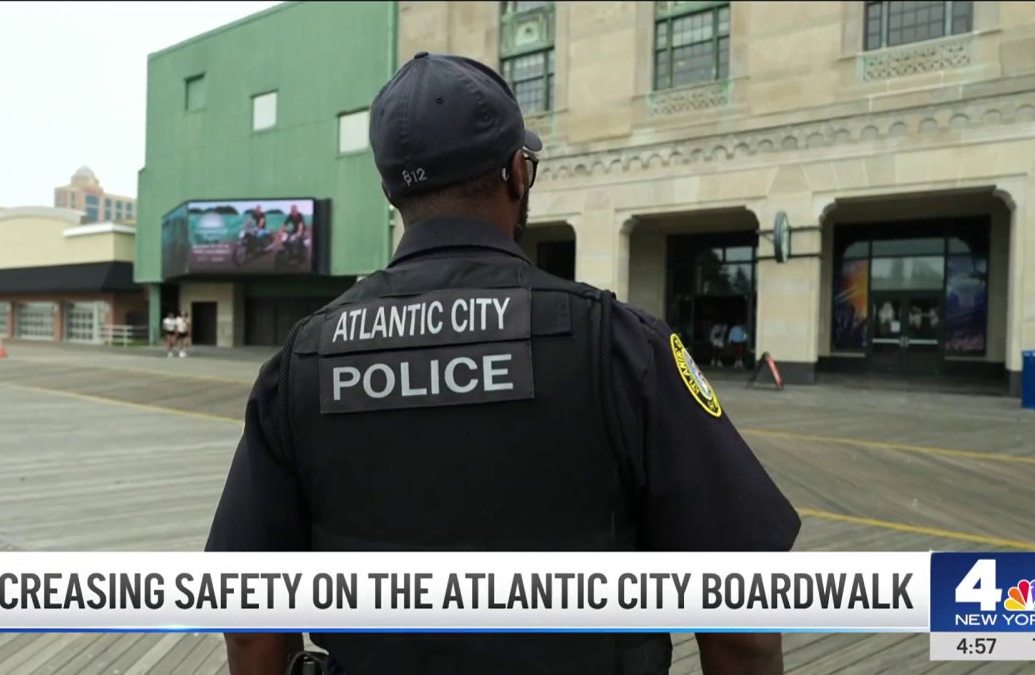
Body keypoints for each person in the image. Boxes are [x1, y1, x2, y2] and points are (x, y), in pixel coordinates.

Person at [206, 51, 800, 675]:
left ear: (390, 192)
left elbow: (250, 623)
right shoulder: (621, 347)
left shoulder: (302, 363)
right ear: (518, 172)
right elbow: (743, 617)